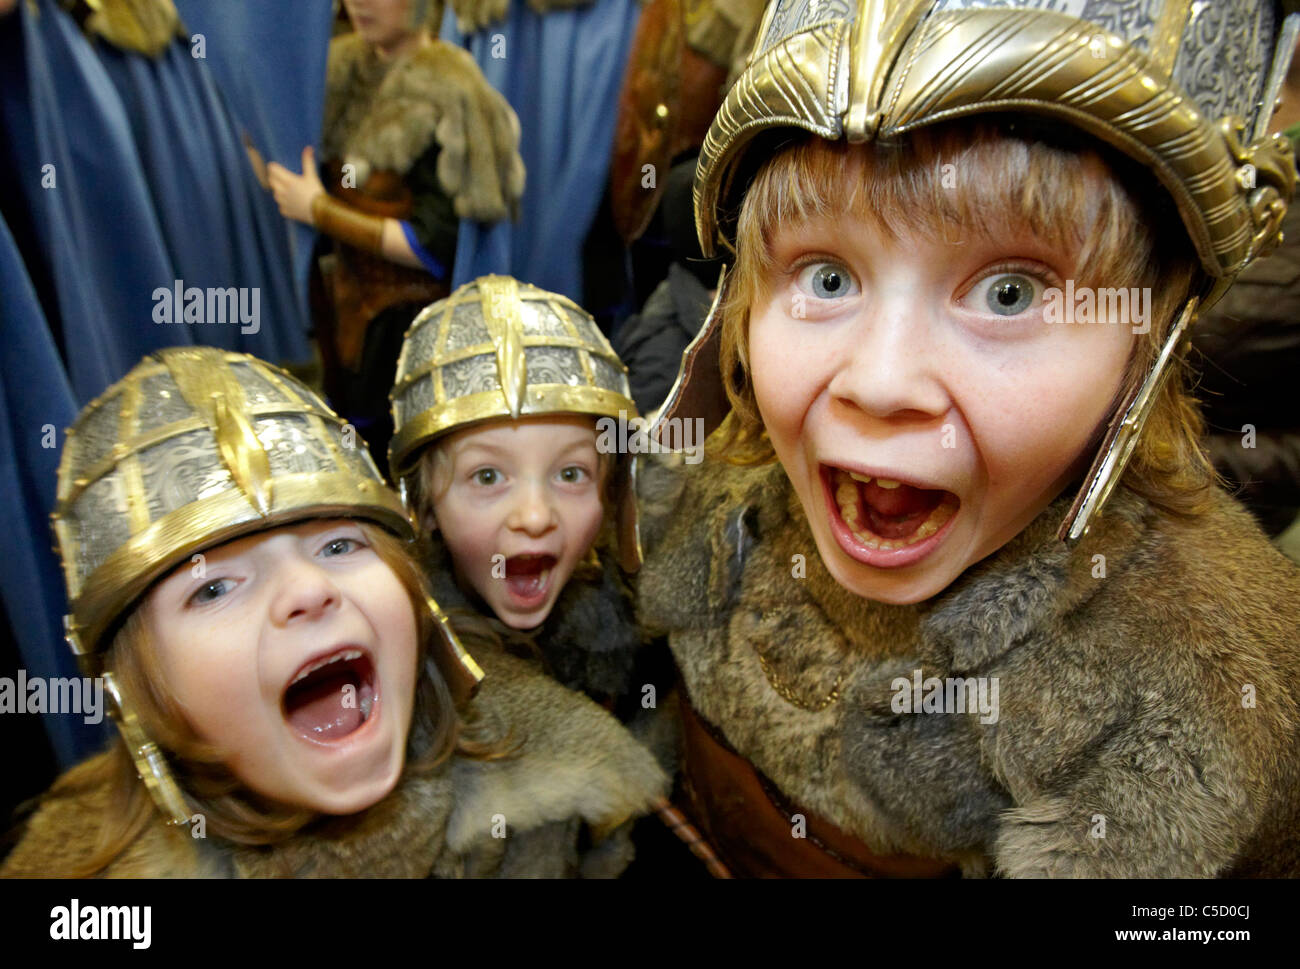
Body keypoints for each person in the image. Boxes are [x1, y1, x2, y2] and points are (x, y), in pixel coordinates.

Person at [637, 0, 1300, 877]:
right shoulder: (707, 502)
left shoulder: (1216, 710)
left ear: (1151, 334)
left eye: (1008, 294)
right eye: (827, 277)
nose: (879, 380)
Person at [1, 346, 666, 877]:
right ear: (136, 693)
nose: (307, 590)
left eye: (340, 544)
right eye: (212, 587)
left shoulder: (552, 800)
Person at [268, 0, 525, 467]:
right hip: (341, 317)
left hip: (405, 330)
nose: (359, 3)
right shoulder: (337, 70)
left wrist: (319, 211)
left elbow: (434, 246)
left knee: (401, 456)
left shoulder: (453, 90)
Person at [389, 275, 660, 715]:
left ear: (611, 492)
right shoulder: (406, 693)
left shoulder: (651, 650)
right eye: (488, 476)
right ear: (424, 506)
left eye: (571, 473)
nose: (535, 517)